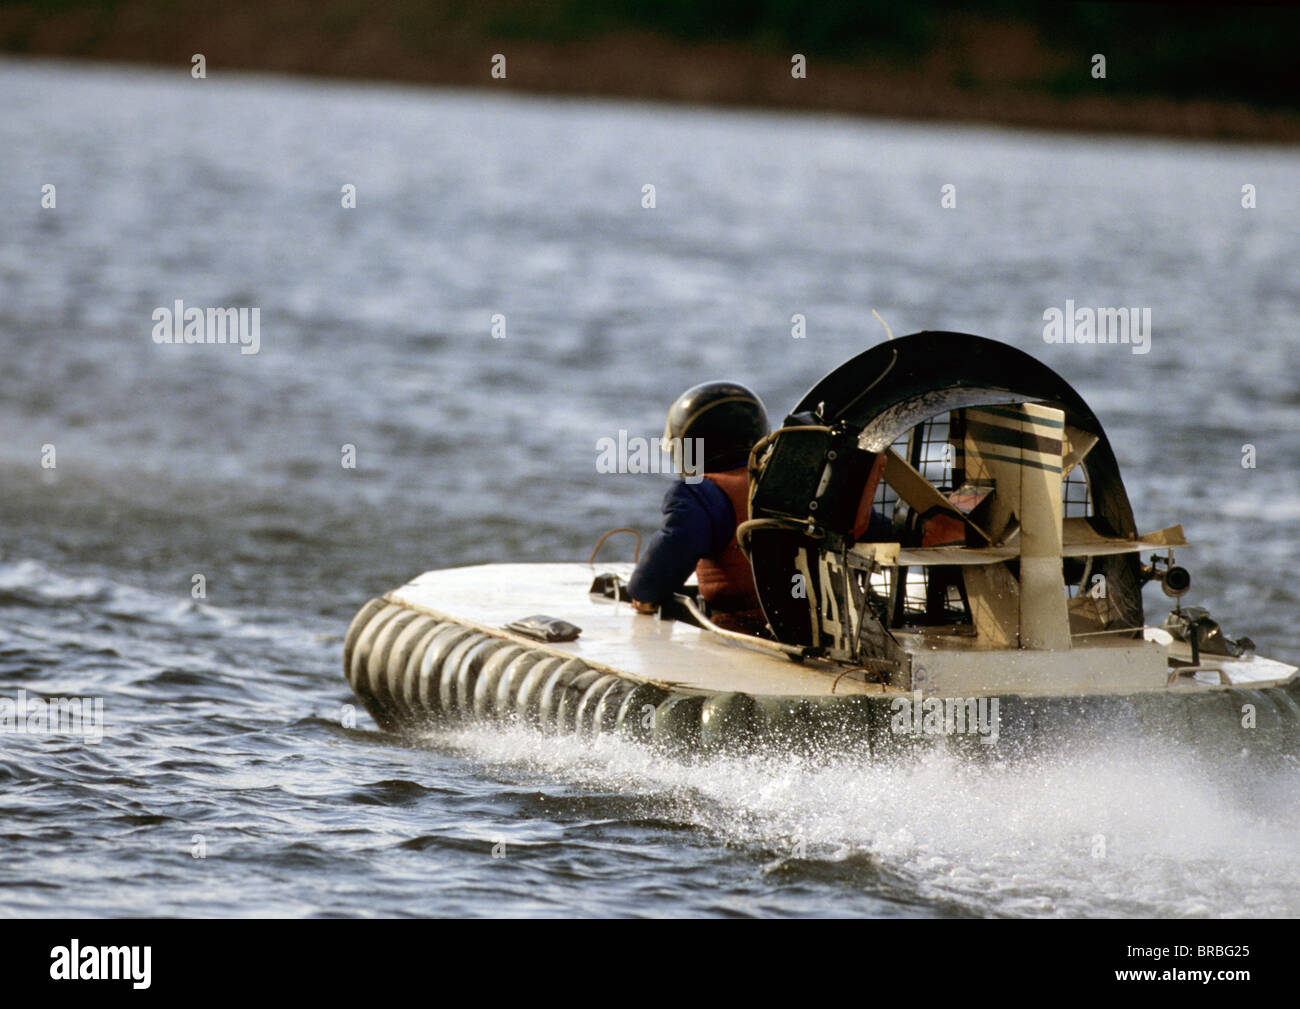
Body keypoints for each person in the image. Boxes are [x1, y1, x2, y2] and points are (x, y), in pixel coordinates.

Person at [627, 381, 769, 635]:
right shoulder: (799, 482)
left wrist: (643, 595)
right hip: (812, 625)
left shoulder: (700, 494)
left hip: (743, 632)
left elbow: (651, 585)